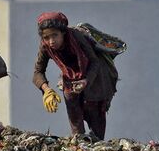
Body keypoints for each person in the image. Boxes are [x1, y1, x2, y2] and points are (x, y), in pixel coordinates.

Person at [33, 11, 117, 141]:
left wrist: (86, 81)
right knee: (76, 126)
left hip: (95, 79)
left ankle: (96, 147)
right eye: (46, 37)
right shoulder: (45, 46)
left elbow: (94, 62)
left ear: (63, 33)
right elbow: (38, 72)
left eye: (55, 35)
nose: (51, 41)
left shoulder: (76, 37)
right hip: (70, 81)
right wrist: (47, 90)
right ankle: (80, 145)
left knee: (96, 124)